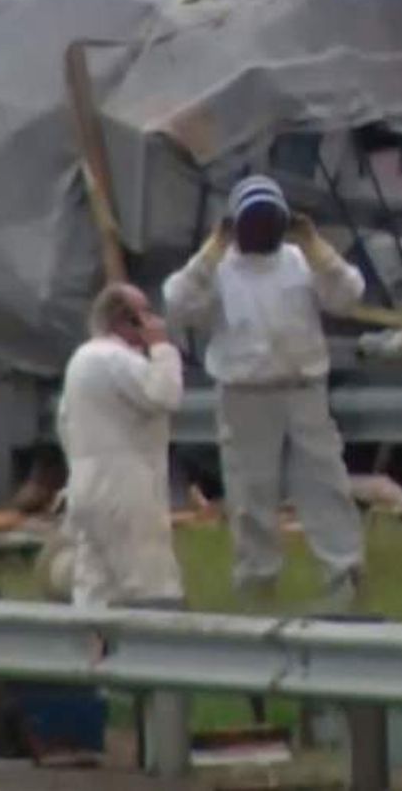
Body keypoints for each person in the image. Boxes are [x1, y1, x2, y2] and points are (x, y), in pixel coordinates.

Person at [163, 173, 367, 608]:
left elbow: (348, 295)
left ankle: (343, 576)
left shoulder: (300, 261)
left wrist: (316, 246)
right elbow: (177, 302)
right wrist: (211, 248)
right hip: (244, 396)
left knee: (325, 484)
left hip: (304, 390)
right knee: (250, 494)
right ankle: (256, 584)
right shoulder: (219, 270)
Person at [55, 282, 186, 609]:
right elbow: (166, 394)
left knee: (96, 585)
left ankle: (91, 654)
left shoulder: (81, 358)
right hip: (124, 489)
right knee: (148, 580)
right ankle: (155, 652)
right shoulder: (117, 359)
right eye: (146, 316)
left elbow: (64, 423)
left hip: (85, 485)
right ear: (129, 322)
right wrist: (162, 349)